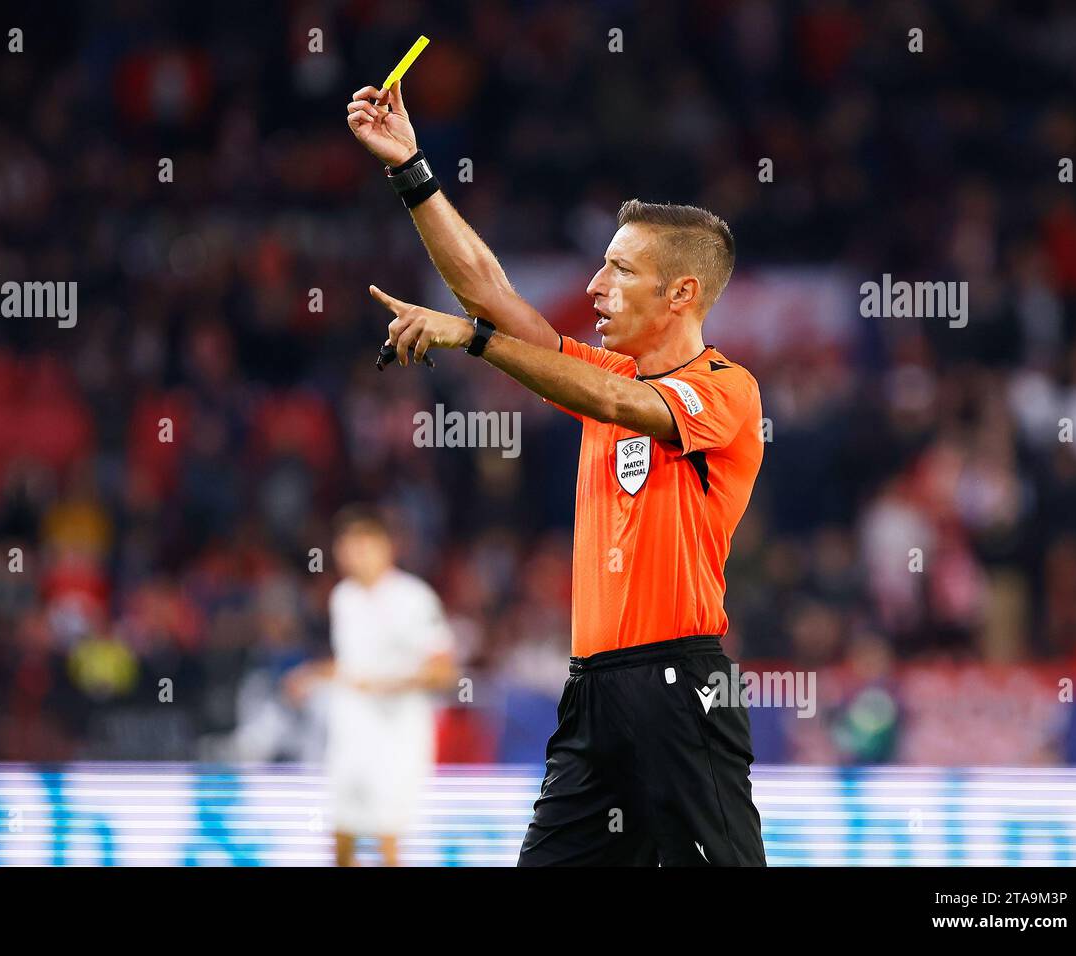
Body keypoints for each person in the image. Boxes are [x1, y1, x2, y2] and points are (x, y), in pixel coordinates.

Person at [345, 80, 767, 866]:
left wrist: (472, 343)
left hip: (681, 692)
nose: (593, 289)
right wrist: (412, 168)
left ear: (681, 292)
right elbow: (489, 293)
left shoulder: (725, 391)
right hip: (593, 696)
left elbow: (611, 396)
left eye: (617, 271)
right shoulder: (606, 377)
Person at [285, 505, 455, 866]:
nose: (353, 556)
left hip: (397, 738)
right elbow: (352, 664)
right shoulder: (343, 597)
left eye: (363, 546)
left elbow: (444, 671)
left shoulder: (414, 598)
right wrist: (311, 674)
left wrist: (386, 684)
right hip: (350, 735)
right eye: (346, 547)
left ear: (386, 547)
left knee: (387, 841)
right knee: (341, 839)